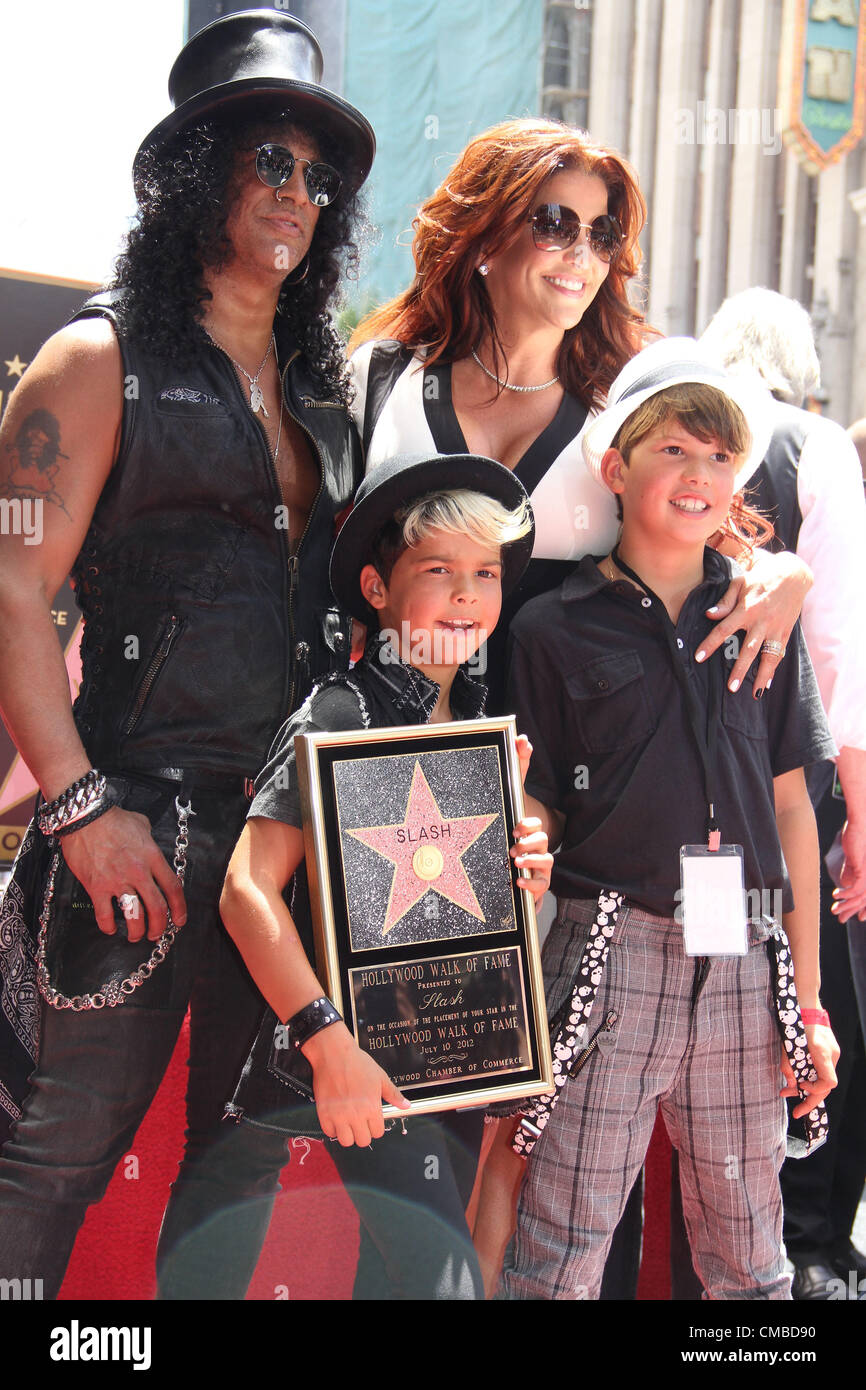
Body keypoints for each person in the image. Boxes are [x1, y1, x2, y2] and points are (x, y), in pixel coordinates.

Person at [348, 116, 820, 1297]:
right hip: (405, 790)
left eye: (602, 232)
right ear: (485, 227)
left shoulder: (625, 386)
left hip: (587, 844)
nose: (579, 250)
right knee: (426, 1125)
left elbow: (723, 485)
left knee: (608, 1177)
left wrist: (780, 576)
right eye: (551, 219)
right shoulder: (382, 379)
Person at [0, 10, 374, 1299]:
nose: (298, 195)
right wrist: (81, 805)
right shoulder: (99, 356)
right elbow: (12, 585)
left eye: (318, 177)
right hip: (135, 834)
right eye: (271, 160)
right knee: (46, 1160)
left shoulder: (327, 384)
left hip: (278, 850)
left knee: (230, 1180)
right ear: (195, 169)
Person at [493, 337, 840, 1300]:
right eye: (674, 451)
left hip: (747, 956)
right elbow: (540, 800)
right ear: (615, 465)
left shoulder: (766, 615)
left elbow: (792, 813)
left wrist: (809, 1005)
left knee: (751, 1258)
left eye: (721, 457)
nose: (700, 477)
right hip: (607, 949)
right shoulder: (549, 627)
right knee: (559, 1248)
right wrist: (525, 840)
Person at [218, 451, 553, 1299]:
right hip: (366, 1053)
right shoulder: (340, 712)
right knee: (440, 1281)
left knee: (397, 1281)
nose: (468, 594)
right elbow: (246, 890)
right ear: (376, 586)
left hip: (460, 1049)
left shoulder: (476, 718)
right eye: (438, 571)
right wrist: (330, 1045)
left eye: (486, 572)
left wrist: (524, 868)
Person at [698, 289, 866, 1300]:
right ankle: (802, 1240)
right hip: (793, 783)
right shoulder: (815, 448)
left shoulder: (673, 438)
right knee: (816, 999)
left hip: (688, 785)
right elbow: (842, 654)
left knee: (712, 983)